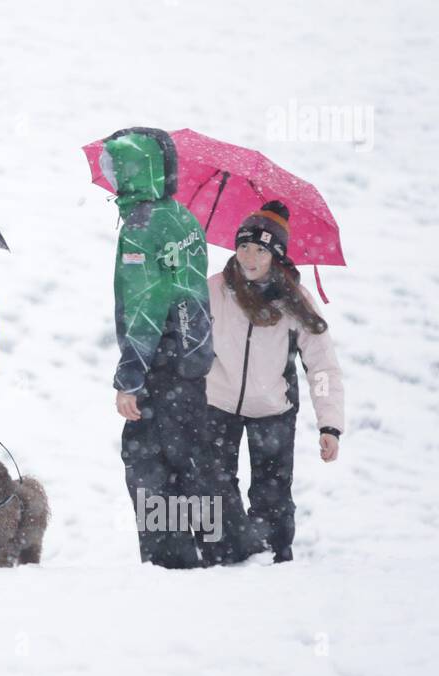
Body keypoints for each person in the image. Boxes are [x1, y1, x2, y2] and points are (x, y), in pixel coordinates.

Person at [101, 127, 245, 568]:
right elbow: (192, 293)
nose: (110, 176)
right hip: (191, 364)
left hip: (158, 366)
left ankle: (171, 561)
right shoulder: (183, 218)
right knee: (192, 461)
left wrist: (130, 379)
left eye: (115, 165)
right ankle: (224, 548)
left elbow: (145, 306)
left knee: (148, 466)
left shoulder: (141, 228)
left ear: (134, 168)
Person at [205, 201, 344, 563]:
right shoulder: (214, 289)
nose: (249, 257)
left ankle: (274, 561)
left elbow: (322, 366)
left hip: (273, 409)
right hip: (218, 403)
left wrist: (330, 424)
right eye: (244, 246)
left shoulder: (295, 301)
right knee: (215, 487)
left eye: (261, 250)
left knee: (272, 494)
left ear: (276, 256)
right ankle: (224, 557)